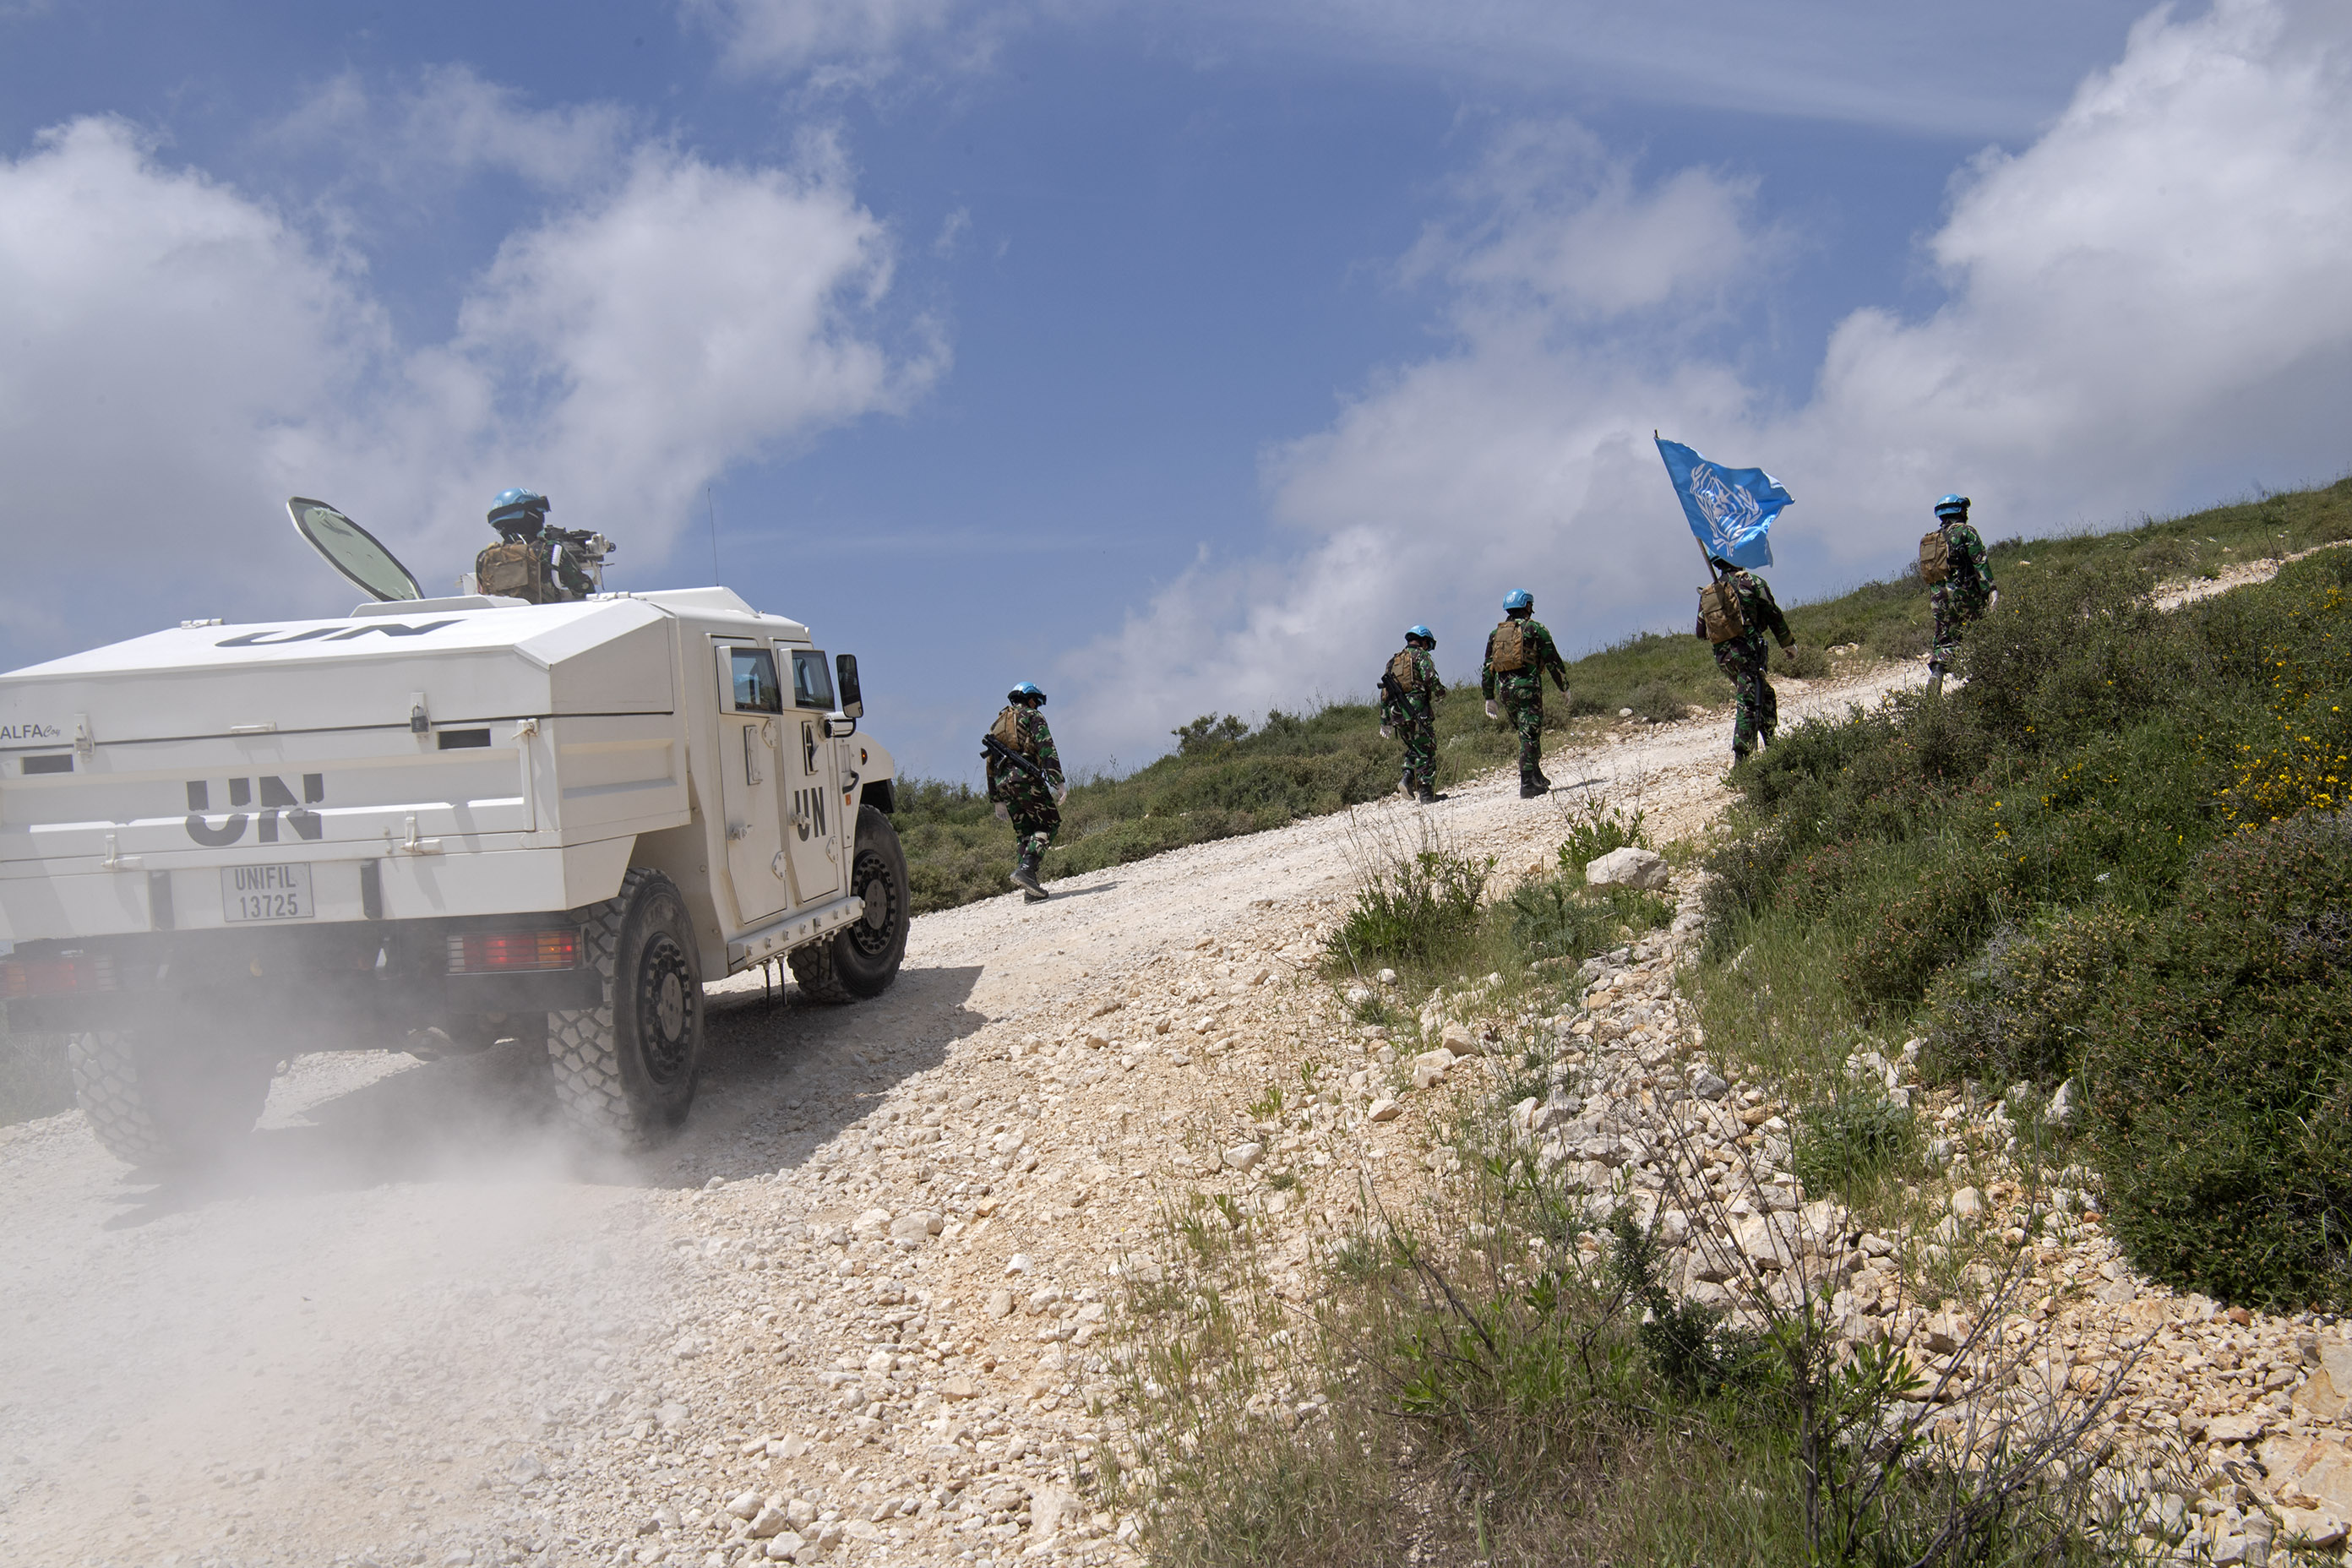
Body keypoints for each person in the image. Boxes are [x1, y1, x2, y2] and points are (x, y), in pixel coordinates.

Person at [1694, 557, 1795, 765]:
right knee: (1748, 702)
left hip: (1724, 658)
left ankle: (1773, 747)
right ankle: (1742, 763)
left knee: (1764, 695)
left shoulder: (1709, 591)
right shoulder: (1753, 583)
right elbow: (1774, 615)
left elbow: (1700, 632)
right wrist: (1788, 644)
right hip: (1747, 652)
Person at [1482, 590, 1570, 798]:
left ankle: (1537, 775)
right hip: (1527, 688)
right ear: (1527, 606)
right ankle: (1528, 783)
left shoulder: (1496, 634)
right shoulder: (1536, 629)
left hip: (1505, 692)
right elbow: (1553, 660)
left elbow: (1488, 667)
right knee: (1530, 734)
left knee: (1524, 733)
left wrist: (1489, 696)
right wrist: (1564, 687)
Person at [983, 683, 1066, 901]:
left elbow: (990, 761)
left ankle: (1031, 889)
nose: (1038, 706)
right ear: (1031, 699)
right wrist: (1058, 781)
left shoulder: (998, 723)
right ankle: (1027, 870)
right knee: (1049, 823)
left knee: (1025, 833)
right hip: (1025, 778)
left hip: (1004, 783)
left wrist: (996, 798)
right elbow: (1046, 747)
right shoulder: (1032, 715)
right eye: (1037, 702)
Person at [1920, 493, 1995, 697]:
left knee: (1945, 640)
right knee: (1981, 633)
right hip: (1965, 595)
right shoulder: (1966, 532)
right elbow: (1980, 563)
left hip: (1939, 599)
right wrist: (1991, 590)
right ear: (1960, 511)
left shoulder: (1933, 539)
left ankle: (1937, 674)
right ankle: (1982, 683)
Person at [476, 488, 596, 605]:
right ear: (532, 517)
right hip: (543, 620)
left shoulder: (484, 559)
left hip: (502, 622)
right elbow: (584, 589)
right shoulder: (551, 551)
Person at [1380, 625, 1446, 804]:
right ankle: (1426, 793)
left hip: (1397, 713)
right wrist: (1441, 693)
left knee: (1414, 747)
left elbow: (1384, 692)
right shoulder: (1421, 656)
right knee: (1426, 748)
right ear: (1424, 641)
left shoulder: (1393, 661)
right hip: (1416, 710)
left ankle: (1407, 777)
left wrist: (1384, 719)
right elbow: (1430, 678)